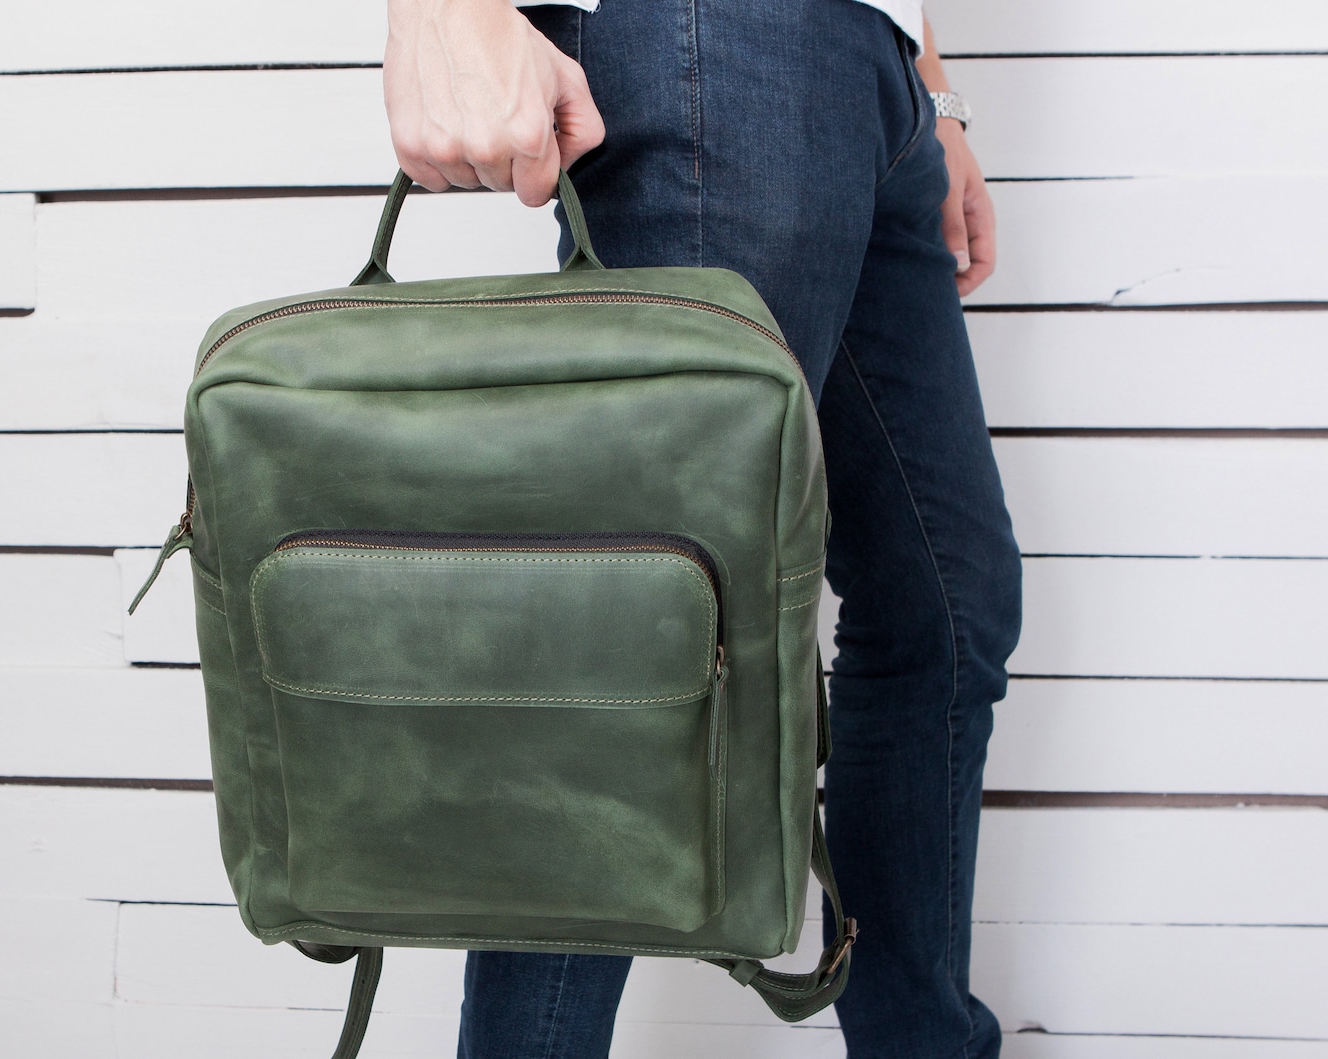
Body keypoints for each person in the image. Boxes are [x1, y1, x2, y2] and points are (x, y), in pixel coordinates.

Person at [382, 1, 1024, 1056]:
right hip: (720, 50)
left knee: (945, 611)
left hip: (875, 78)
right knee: (626, 655)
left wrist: (927, 84)